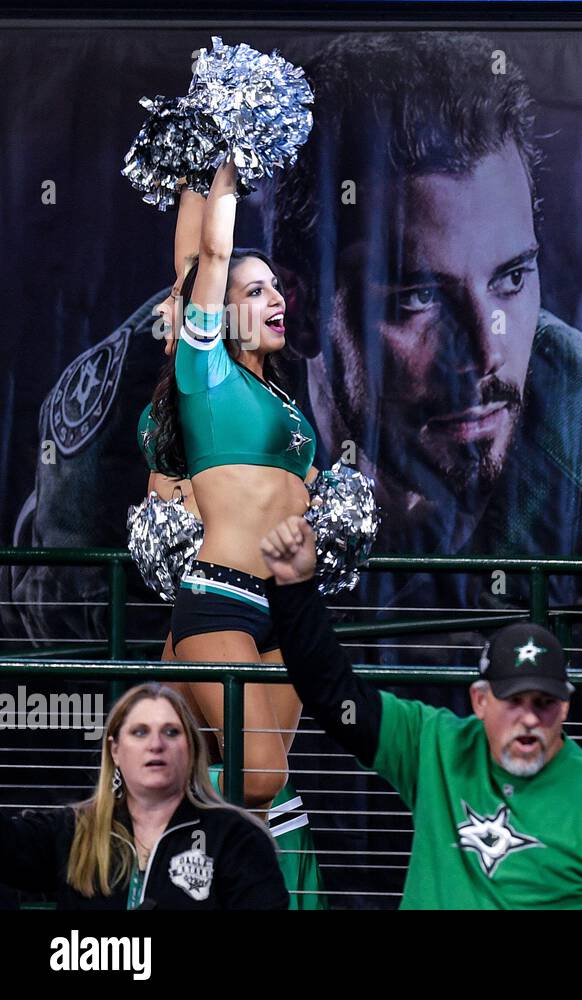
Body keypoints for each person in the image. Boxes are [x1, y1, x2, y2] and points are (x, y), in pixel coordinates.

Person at [4, 29, 582, 669]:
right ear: (304, 305)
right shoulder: (126, 428)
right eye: (416, 297)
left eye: (511, 278)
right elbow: (78, 721)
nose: (486, 352)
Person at [258, 513, 582, 910]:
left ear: (565, 706)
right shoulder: (434, 745)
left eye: (544, 703)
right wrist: (293, 590)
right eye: (513, 701)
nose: (529, 718)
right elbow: (334, 698)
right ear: (480, 701)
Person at [136, 187, 326, 908]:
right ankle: (174, 867)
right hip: (223, 599)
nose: (276, 296)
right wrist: (222, 166)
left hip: (284, 608)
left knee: (258, 788)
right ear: (219, 309)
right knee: (260, 776)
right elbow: (203, 256)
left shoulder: (284, 403)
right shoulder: (204, 373)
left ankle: (211, 887)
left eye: (278, 285)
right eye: (256, 288)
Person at [0, 683, 287, 909]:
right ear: (115, 750)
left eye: (171, 732)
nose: (156, 744)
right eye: (139, 732)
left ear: (191, 749)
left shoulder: (237, 838)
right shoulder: (74, 830)